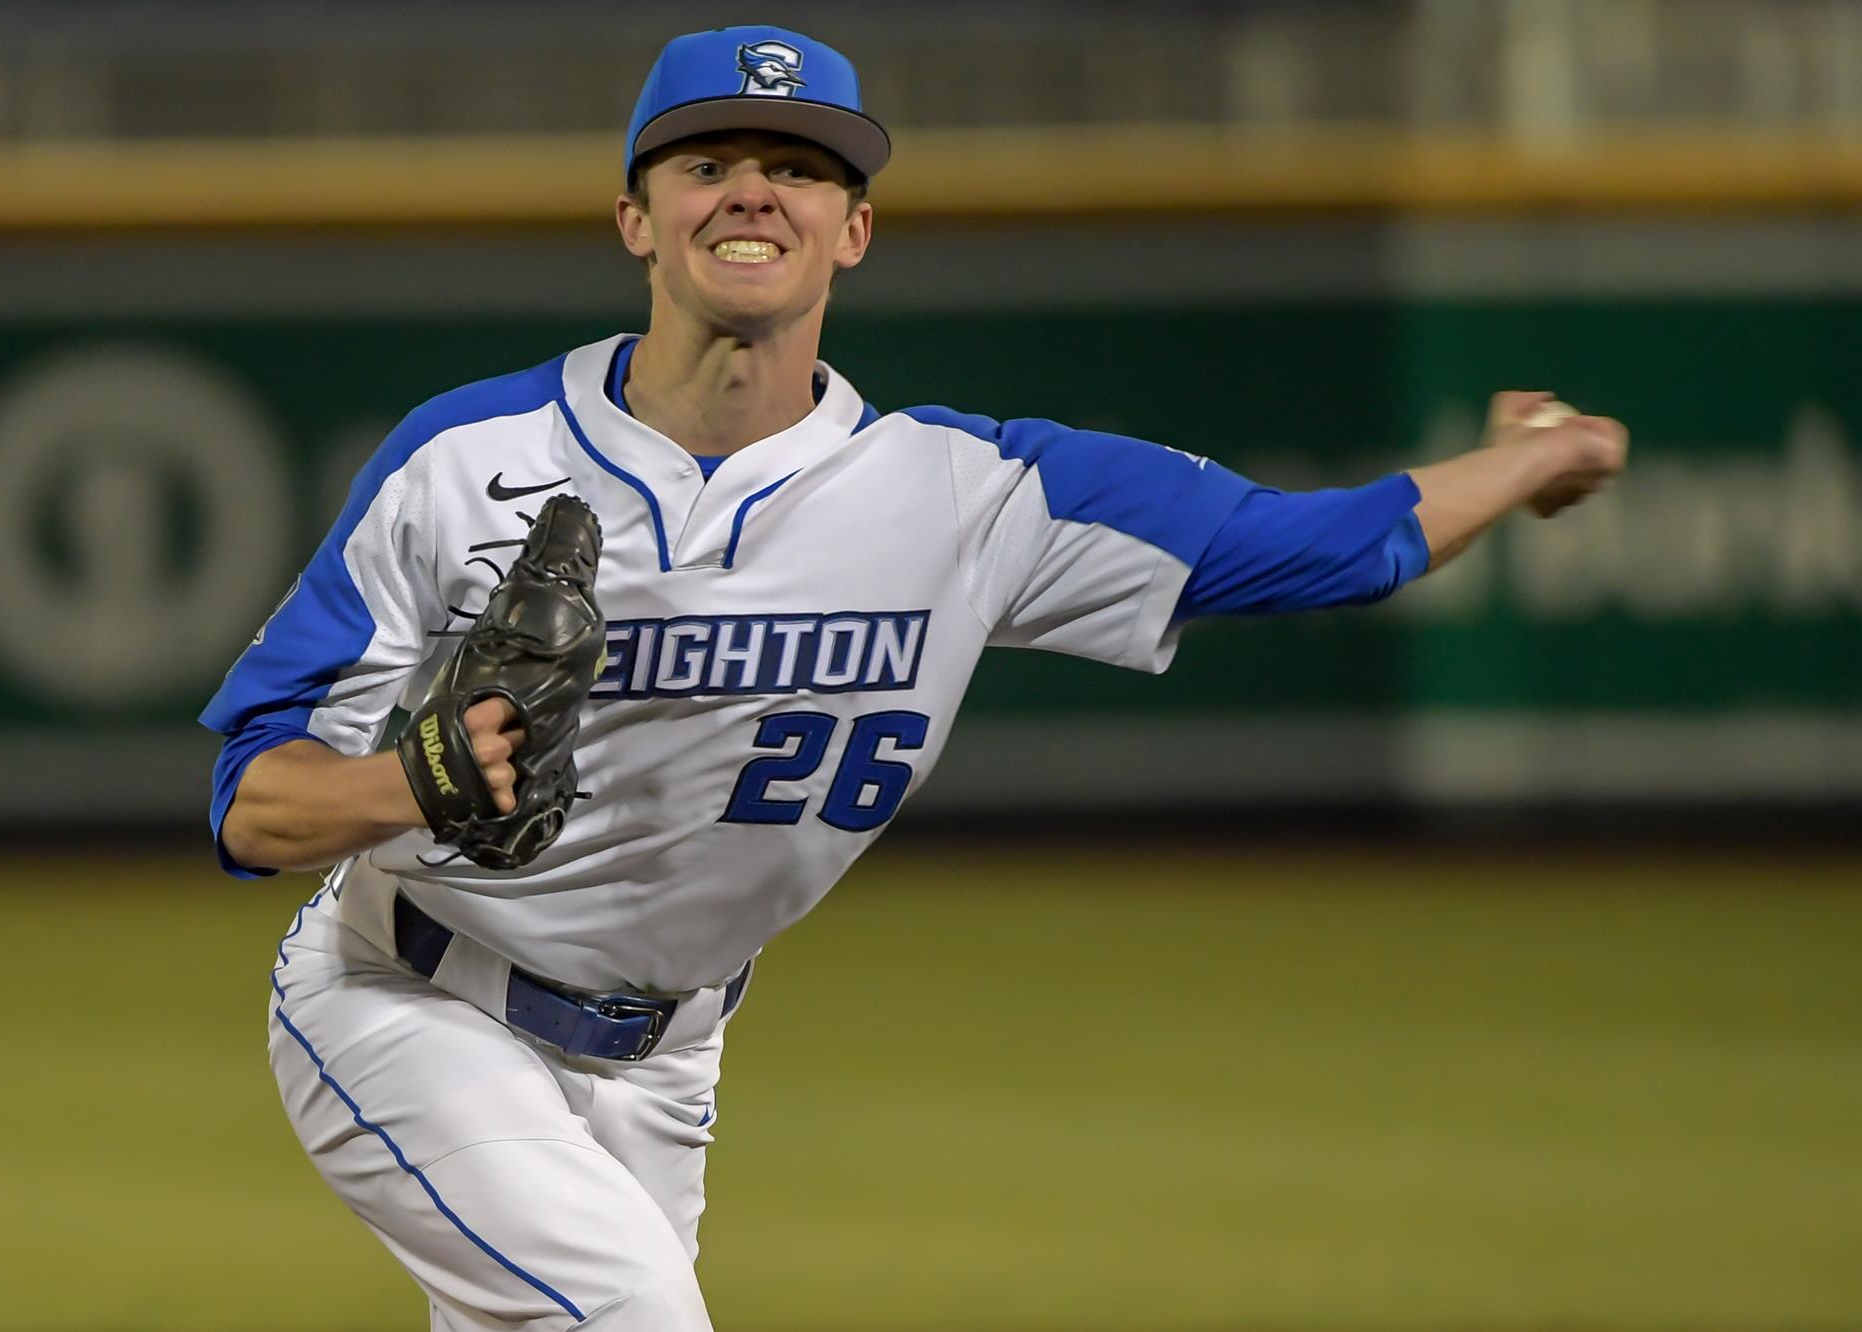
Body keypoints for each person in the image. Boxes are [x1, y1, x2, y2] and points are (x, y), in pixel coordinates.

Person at [200, 24, 1628, 1332]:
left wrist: (1538, 458)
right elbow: (252, 803)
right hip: (407, 1000)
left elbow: (1326, 547)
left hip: (666, 1062)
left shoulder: (964, 496)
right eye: (707, 163)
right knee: (629, 1318)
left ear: (855, 228)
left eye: (798, 169)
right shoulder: (466, 458)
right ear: (636, 218)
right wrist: (408, 785)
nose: (753, 194)